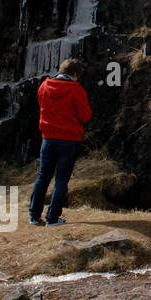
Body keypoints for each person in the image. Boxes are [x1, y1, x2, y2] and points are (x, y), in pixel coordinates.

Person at [29, 58, 92, 227]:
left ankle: (34, 215)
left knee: (43, 176)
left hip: (48, 139)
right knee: (61, 180)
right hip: (69, 140)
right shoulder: (76, 90)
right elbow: (85, 116)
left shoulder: (44, 87)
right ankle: (52, 218)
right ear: (74, 74)